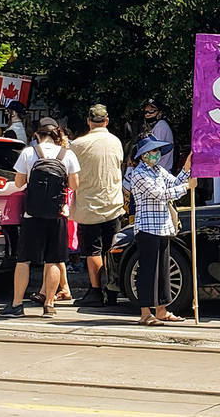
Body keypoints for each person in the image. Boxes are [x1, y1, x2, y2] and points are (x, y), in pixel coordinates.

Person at [0, 119, 80, 318]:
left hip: (32, 214)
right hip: (58, 214)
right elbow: (75, 185)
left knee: (24, 260)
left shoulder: (29, 152)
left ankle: (17, 304)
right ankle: (49, 304)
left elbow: (19, 183)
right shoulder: (67, 154)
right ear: (57, 134)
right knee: (53, 260)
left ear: (37, 134)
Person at [125, 136, 194, 325]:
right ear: (144, 155)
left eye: (157, 151)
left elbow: (173, 183)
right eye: (153, 152)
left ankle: (162, 310)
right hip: (147, 228)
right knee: (148, 271)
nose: (156, 155)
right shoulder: (139, 174)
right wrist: (186, 187)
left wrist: (186, 169)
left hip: (163, 227)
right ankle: (145, 312)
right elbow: (160, 195)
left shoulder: (158, 170)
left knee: (163, 270)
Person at [70, 104, 125, 307]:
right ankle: (111, 290)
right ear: (107, 121)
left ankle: (95, 291)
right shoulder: (116, 142)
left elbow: (71, 174)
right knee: (111, 249)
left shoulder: (77, 145)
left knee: (92, 251)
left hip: (88, 205)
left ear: (88, 121)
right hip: (112, 202)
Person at [140, 99, 174, 172]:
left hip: (161, 171)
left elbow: (153, 149)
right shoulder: (154, 126)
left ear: (160, 113)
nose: (147, 114)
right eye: (146, 111)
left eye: (151, 111)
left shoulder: (161, 126)